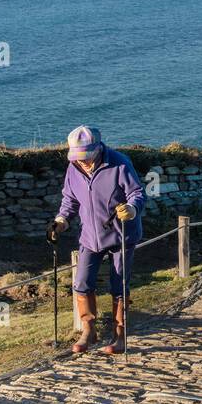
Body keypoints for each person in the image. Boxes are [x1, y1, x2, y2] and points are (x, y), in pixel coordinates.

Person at [47, 126, 145, 355]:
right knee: (81, 282)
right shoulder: (73, 168)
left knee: (119, 284)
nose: (82, 162)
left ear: (98, 149)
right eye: (77, 157)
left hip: (122, 234)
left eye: (85, 157)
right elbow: (70, 200)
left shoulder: (120, 164)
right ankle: (88, 331)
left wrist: (131, 209)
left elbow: (137, 194)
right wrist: (60, 221)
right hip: (90, 236)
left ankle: (120, 336)